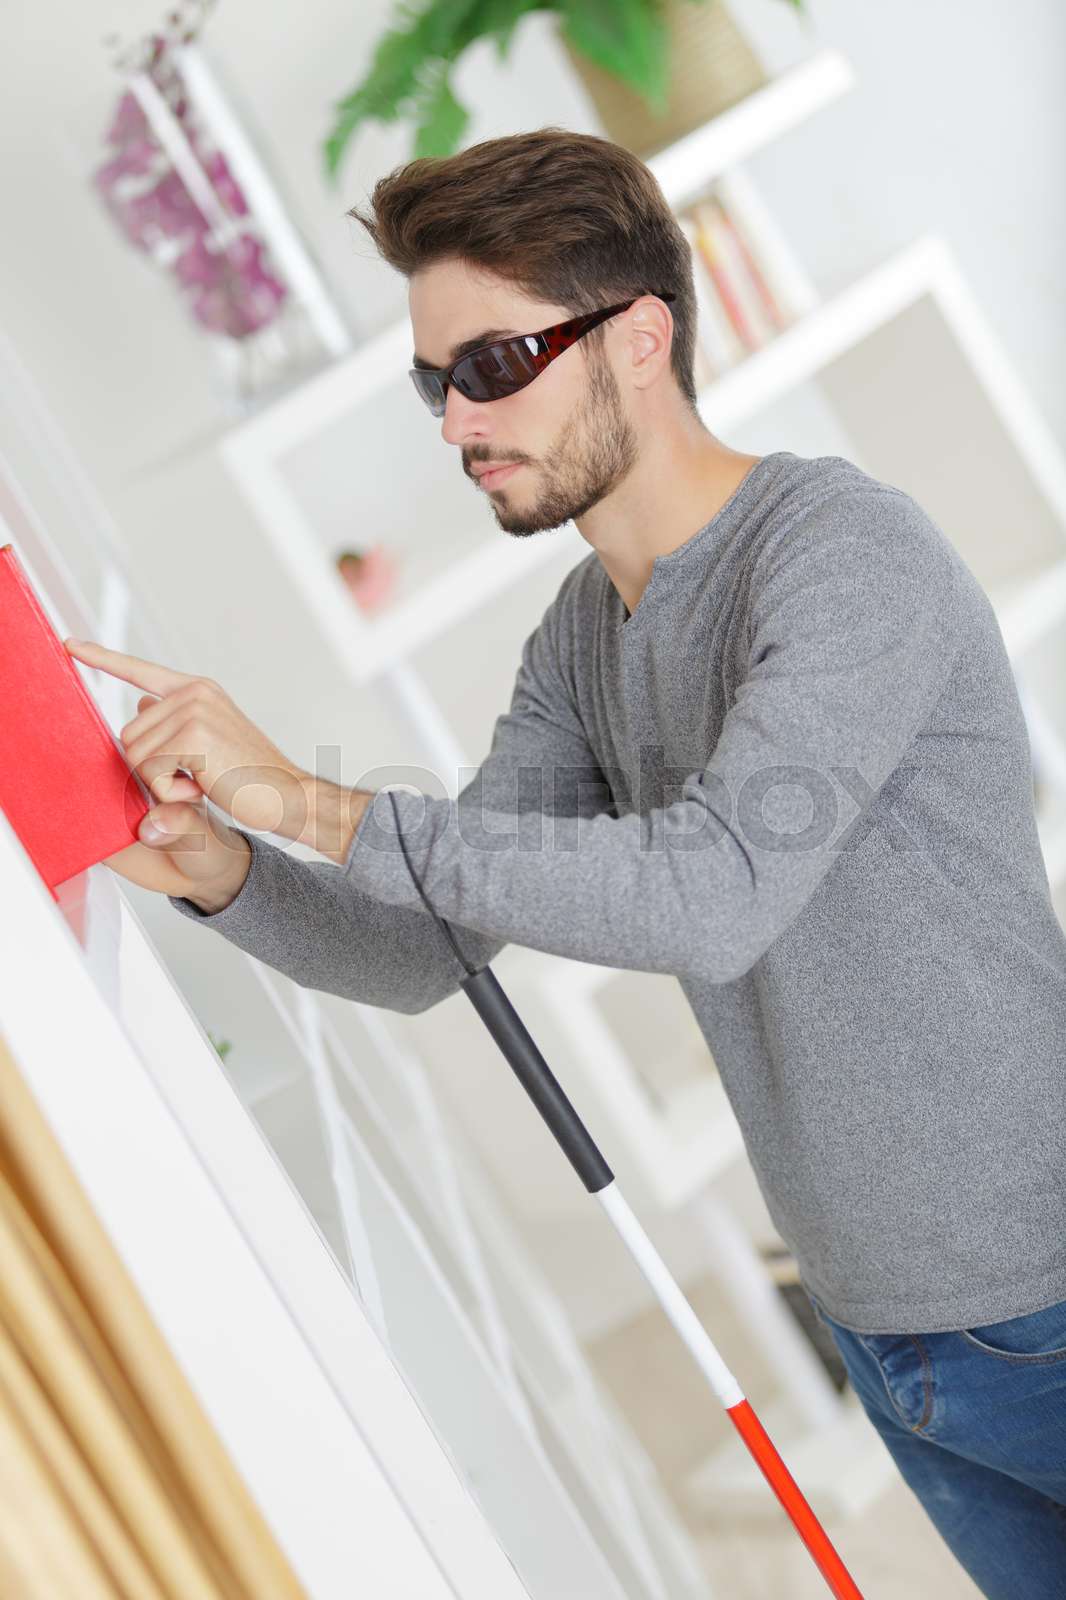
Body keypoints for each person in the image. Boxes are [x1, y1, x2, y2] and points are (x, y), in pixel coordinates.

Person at [65, 128, 1066, 1597]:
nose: (458, 424)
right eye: (434, 383)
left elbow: (710, 893)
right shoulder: (583, 641)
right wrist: (227, 867)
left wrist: (305, 799)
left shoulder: (841, 557)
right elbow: (426, 951)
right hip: (884, 1324)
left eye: (491, 364)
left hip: (1039, 1289)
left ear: (638, 338)